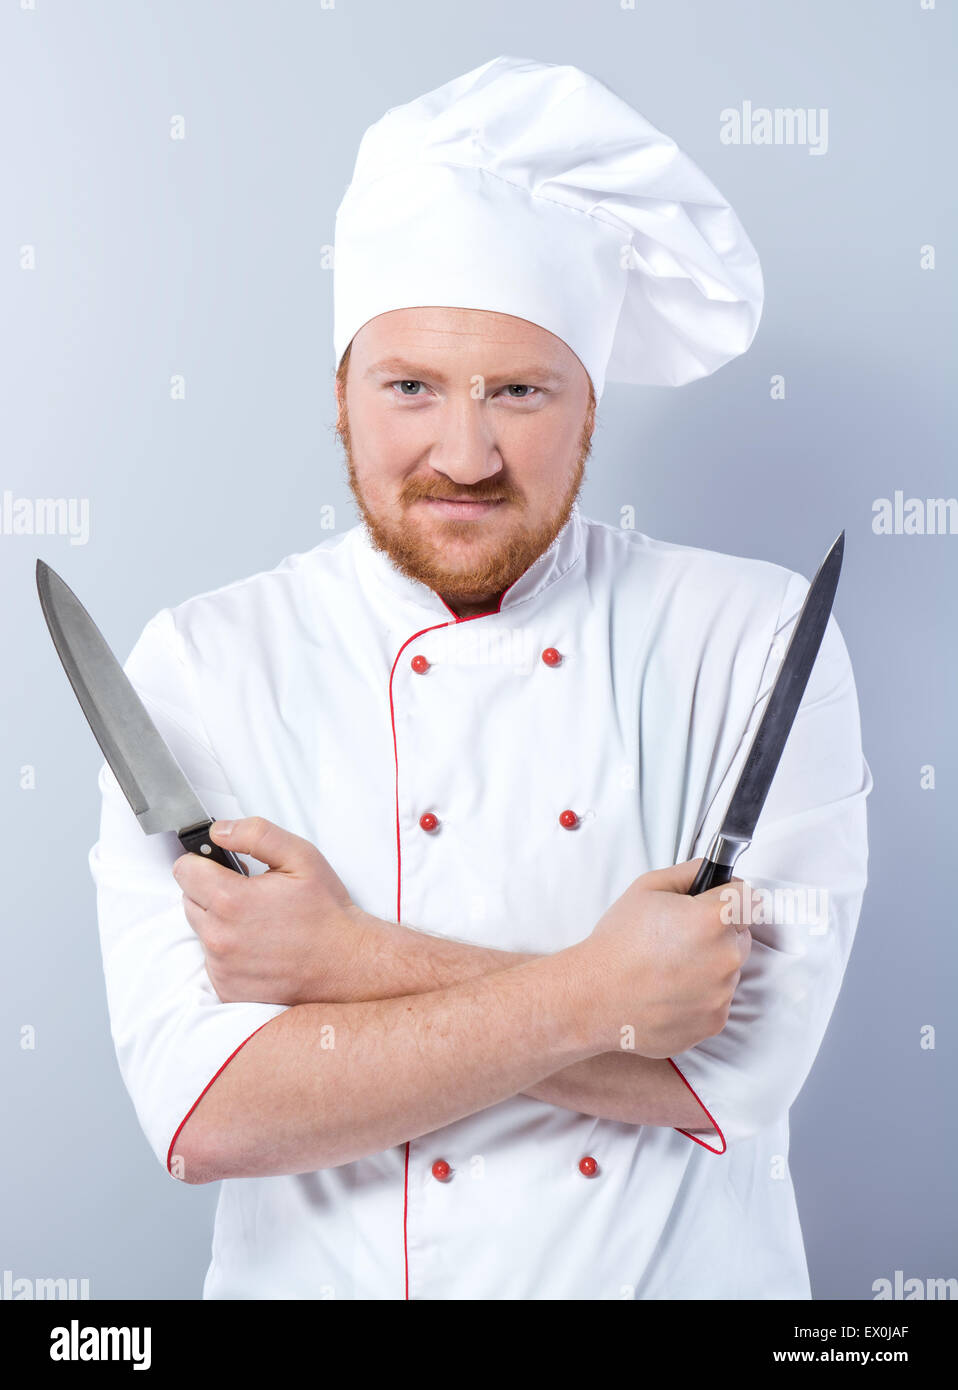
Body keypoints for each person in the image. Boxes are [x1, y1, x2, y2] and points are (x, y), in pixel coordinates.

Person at [88, 55, 872, 1300]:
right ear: (341, 398)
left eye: (518, 391)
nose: (464, 454)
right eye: (409, 387)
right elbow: (213, 1111)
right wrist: (600, 998)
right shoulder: (204, 662)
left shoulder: (756, 640)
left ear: (591, 409)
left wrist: (341, 956)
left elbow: (731, 1078)